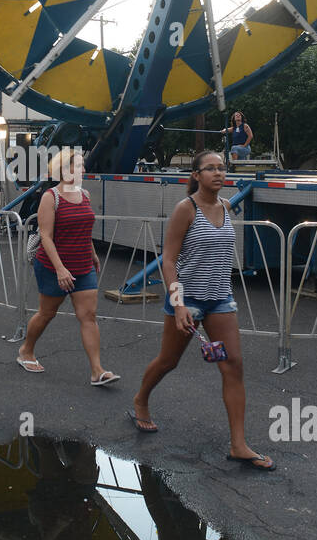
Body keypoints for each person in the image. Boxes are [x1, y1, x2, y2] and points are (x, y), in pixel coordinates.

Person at [129, 151, 275, 470]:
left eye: (222, 168)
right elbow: (168, 260)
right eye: (210, 168)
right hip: (188, 300)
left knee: (233, 366)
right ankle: (141, 400)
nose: (218, 173)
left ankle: (238, 444)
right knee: (169, 361)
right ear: (196, 174)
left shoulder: (225, 207)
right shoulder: (186, 209)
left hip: (220, 299)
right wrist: (179, 304)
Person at [17, 148, 118, 386]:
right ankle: (26, 351)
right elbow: (46, 236)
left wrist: (92, 253)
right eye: (79, 165)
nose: (84, 170)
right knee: (46, 313)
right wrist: (61, 269)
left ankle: (97, 371)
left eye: (83, 165)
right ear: (64, 169)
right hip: (53, 267)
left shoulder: (85, 195)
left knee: (88, 316)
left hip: (83, 266)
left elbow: (84, 229)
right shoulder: (51, 197)